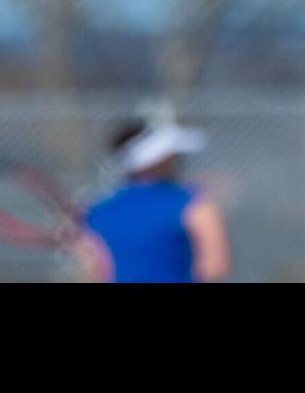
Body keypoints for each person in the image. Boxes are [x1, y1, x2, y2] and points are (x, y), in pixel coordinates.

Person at [78, 120, 231, 283]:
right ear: (162, 159)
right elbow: (214, 268)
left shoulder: (98, 211)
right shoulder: (193, 204)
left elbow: (95, 270)